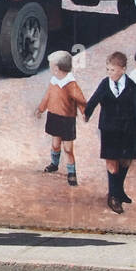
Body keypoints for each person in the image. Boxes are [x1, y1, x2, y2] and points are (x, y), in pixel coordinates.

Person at [84, 51, 136, 214]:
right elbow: (94, 100)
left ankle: (119, 190)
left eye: (112, 70)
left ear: (123, 69)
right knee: (111, 161)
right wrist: (87, 113)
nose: (109, 73)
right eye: (108, 70)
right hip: (109, 129)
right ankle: (113, 197)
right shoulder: (105, 84)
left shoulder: (131, 86)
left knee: (125, 161)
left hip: (128, 129)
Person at [35, 49, 87, 186]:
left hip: (67, 120)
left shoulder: (71, 84)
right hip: (54, 117)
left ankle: (72, 172)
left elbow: (81, 100)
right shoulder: (53, 81)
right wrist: (41, 109)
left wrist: (84, 112)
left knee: (68, 149)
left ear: (57, 69)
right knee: (55, 144)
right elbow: (47, 97)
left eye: (51, 66)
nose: (50, 69)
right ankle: (54, 163)